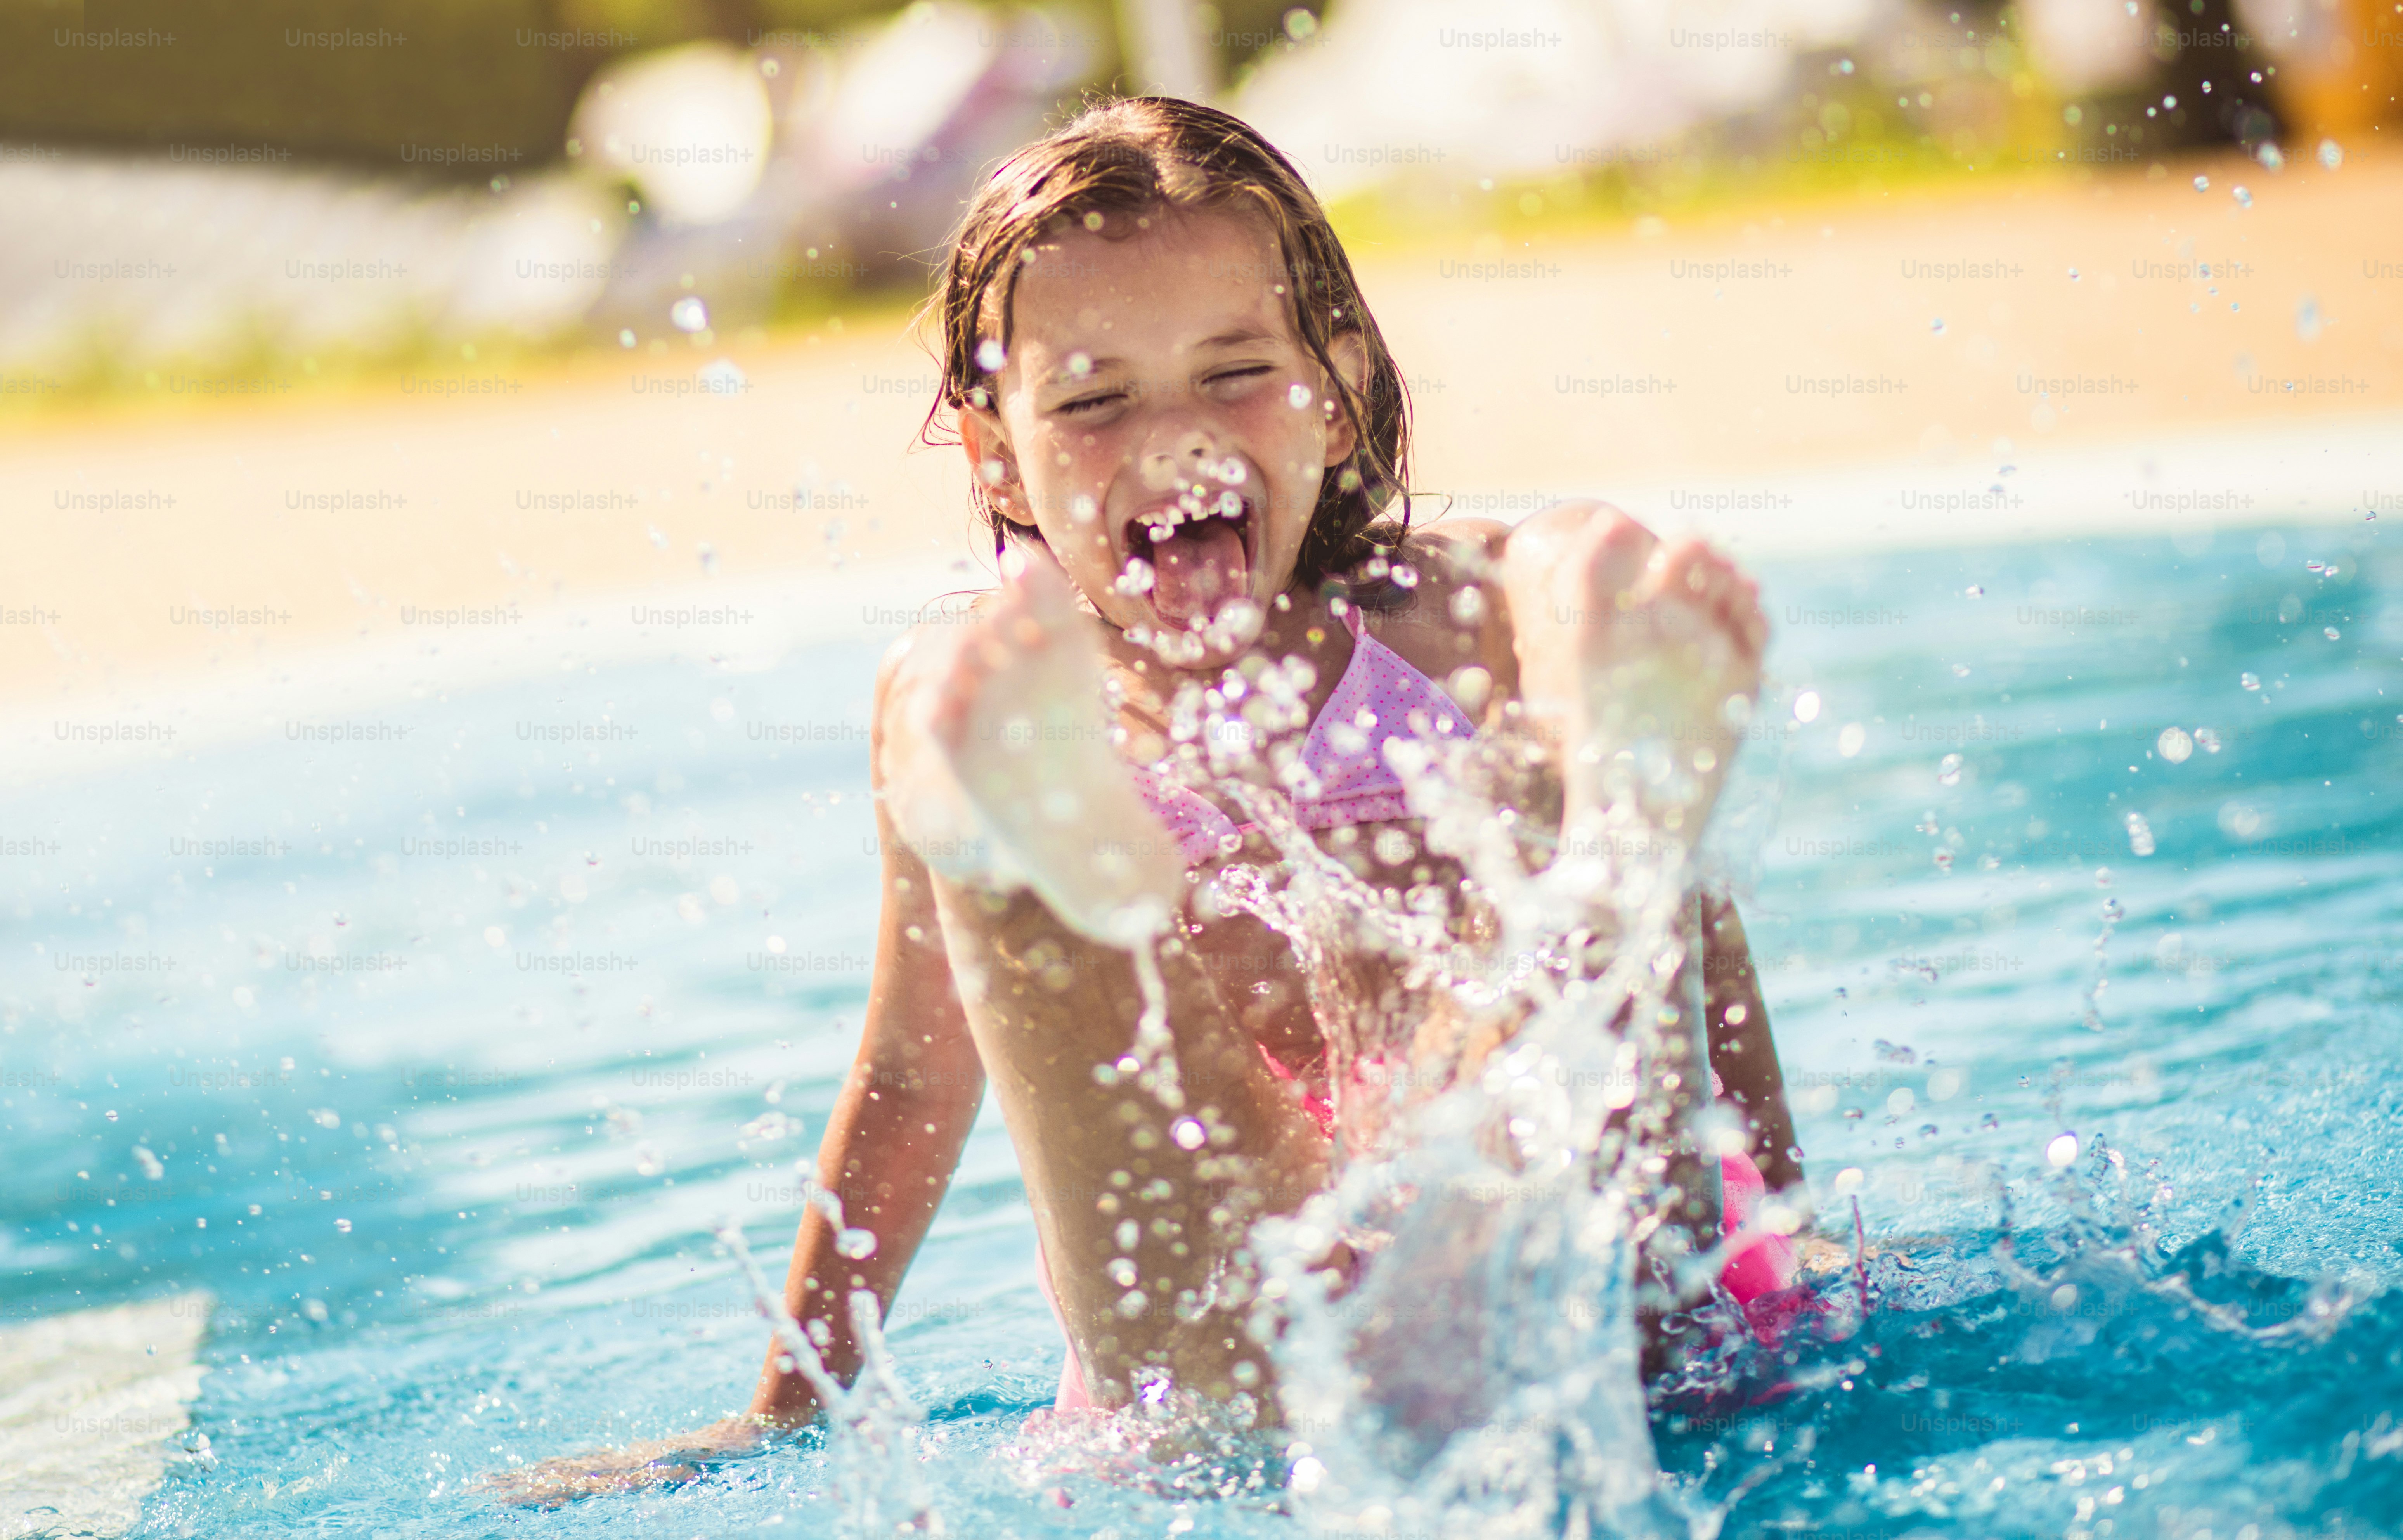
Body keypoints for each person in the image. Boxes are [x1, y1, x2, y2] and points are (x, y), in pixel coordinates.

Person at [503, 95, 1798, 1500]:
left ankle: (1623, 810)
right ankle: (1057, 890)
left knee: (1570, 838)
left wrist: (1785, 1225)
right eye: (1095, 398)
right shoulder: (993, 698)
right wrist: (781, 1406)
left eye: (1234, 372)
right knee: (1216, 1328)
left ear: (1339, 388)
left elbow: (1704, 962)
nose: (1174, 437)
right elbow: (912, 1077)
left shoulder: (1461, 621)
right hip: (1248, 1334)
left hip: (1577, 1257)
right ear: (995, 449)